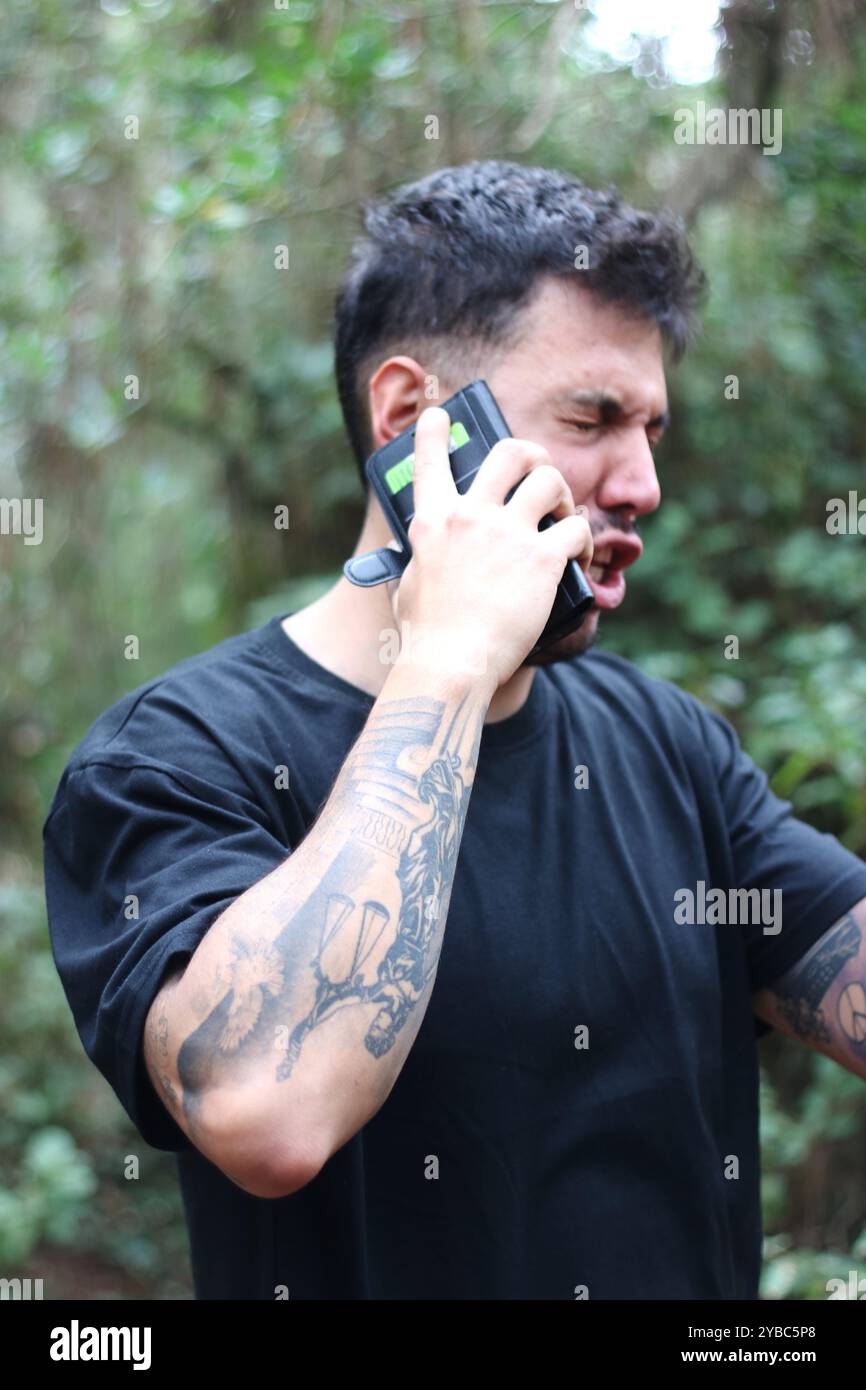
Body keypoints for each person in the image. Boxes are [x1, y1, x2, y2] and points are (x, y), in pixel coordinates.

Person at [43, 160, 866, 1300]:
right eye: (591, 418)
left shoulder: (667, 746)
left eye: (653, 431)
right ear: (409, 421)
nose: (638, 484)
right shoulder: (174, 754)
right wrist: (445, 662)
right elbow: (265, 1111)